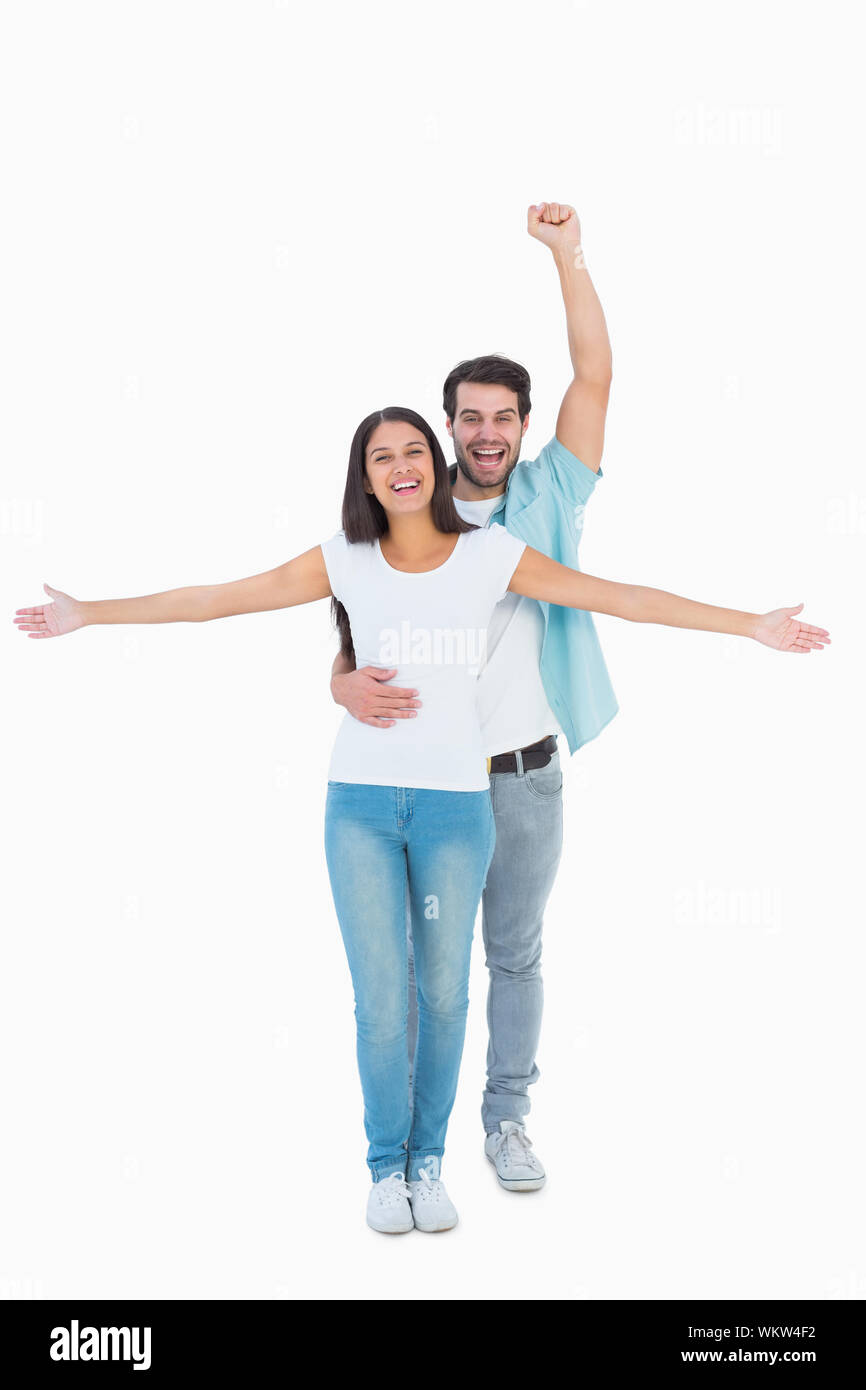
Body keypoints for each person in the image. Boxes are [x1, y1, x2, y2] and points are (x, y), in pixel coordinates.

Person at [14, 407, 829, 1237]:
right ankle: (384, 1166)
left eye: (413, 452)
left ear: (435, 466)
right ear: (363, 477)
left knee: (442, 995)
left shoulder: (489, 554)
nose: (400, 466)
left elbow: (617, 596)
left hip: (455, 809)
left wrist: (748, 626)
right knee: (381, 1003)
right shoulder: (345, 559)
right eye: (382, 457)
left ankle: (429, 1163)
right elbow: (218, 598)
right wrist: (91, 613)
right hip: (360, 806)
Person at [330, 200, 618, 1189]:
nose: (486, 432)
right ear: (446, 425)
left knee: (516, 954)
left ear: (522, 427)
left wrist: (565, 256)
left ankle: (505, 1121)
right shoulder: (415, 503)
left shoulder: (548, 495)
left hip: (526, 776)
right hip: (430, 781)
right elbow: (353, 611)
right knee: (418, 978)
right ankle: (412, 1151)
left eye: (503, 417)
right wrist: (337, 678)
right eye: (470, 417)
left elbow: (595, 375)